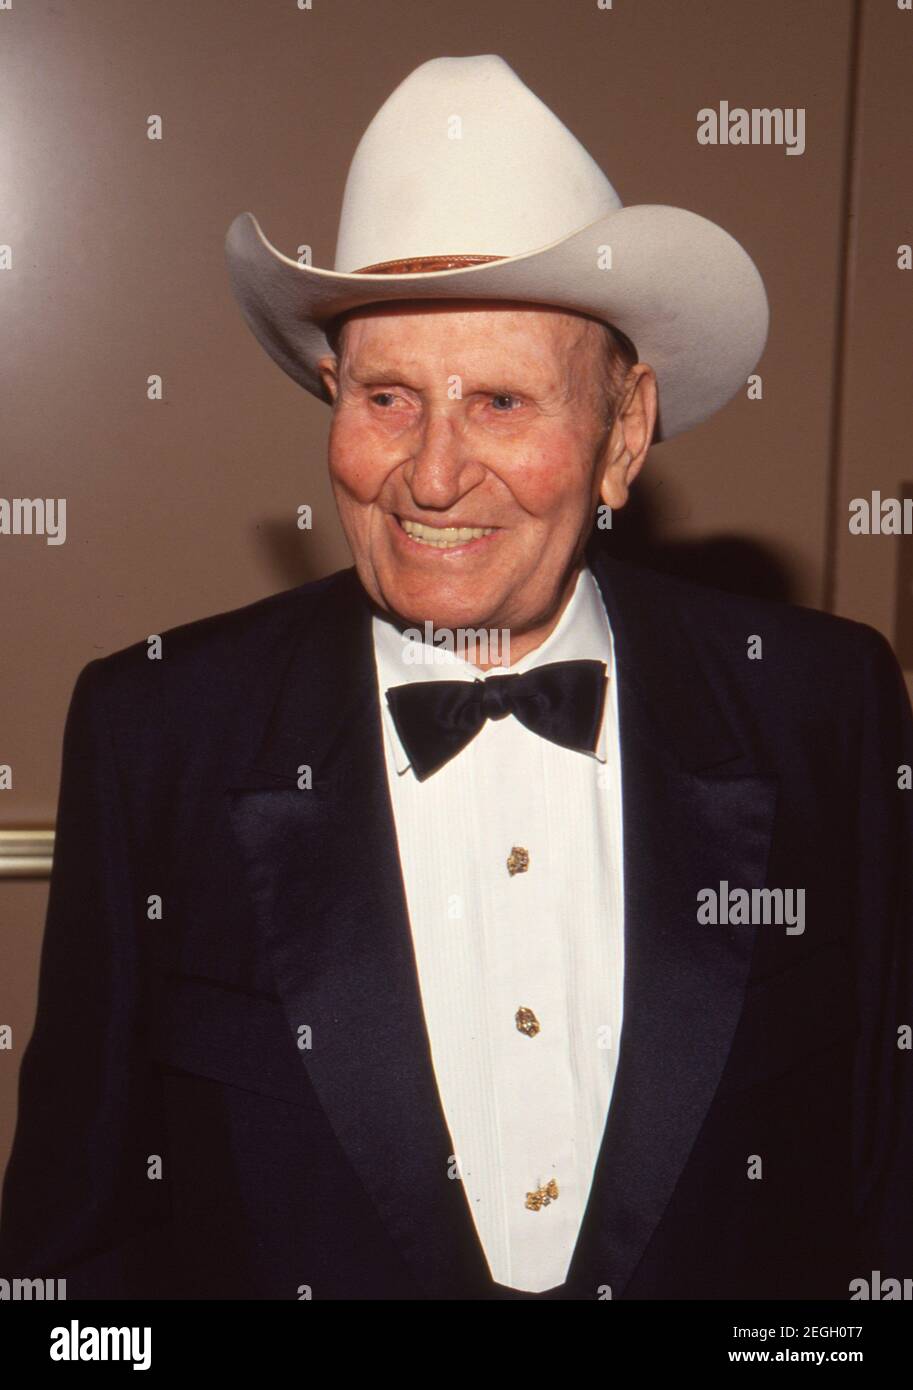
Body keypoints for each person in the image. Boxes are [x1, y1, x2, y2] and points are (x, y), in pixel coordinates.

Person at [1, 54, 910, 1301]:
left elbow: (881, 1193)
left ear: (623, 433)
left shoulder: (824, 708)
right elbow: (69, 1271)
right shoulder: (156, 730)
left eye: (498, 400)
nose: (431, 475)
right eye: (387, 396)